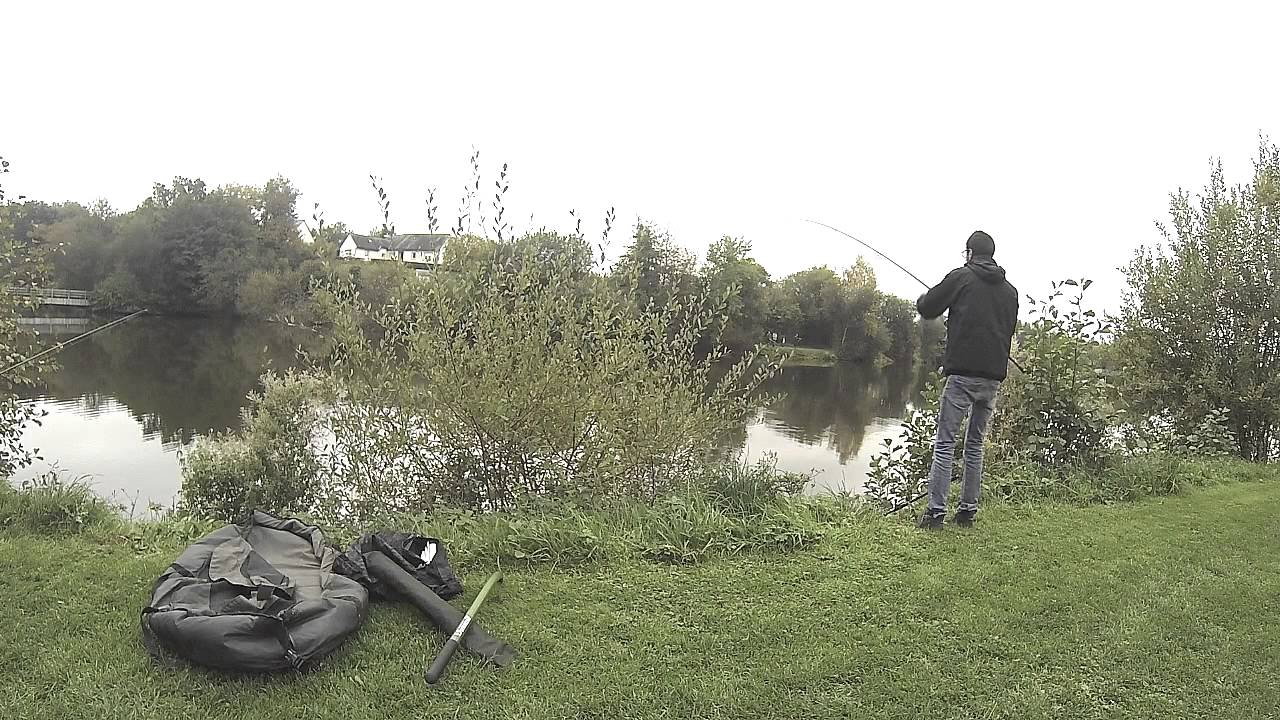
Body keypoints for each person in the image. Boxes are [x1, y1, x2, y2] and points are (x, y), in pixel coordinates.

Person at [914, 230, 1018, 529]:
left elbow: (928, 308)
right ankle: (967, 512)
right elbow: (1008, 329)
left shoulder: (961, 277)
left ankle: (935, 514)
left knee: (945, 443)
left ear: (971, 252)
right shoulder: (1010, 292)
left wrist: (922, 299)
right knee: (975, 445)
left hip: (962, 375)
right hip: (992, 378)